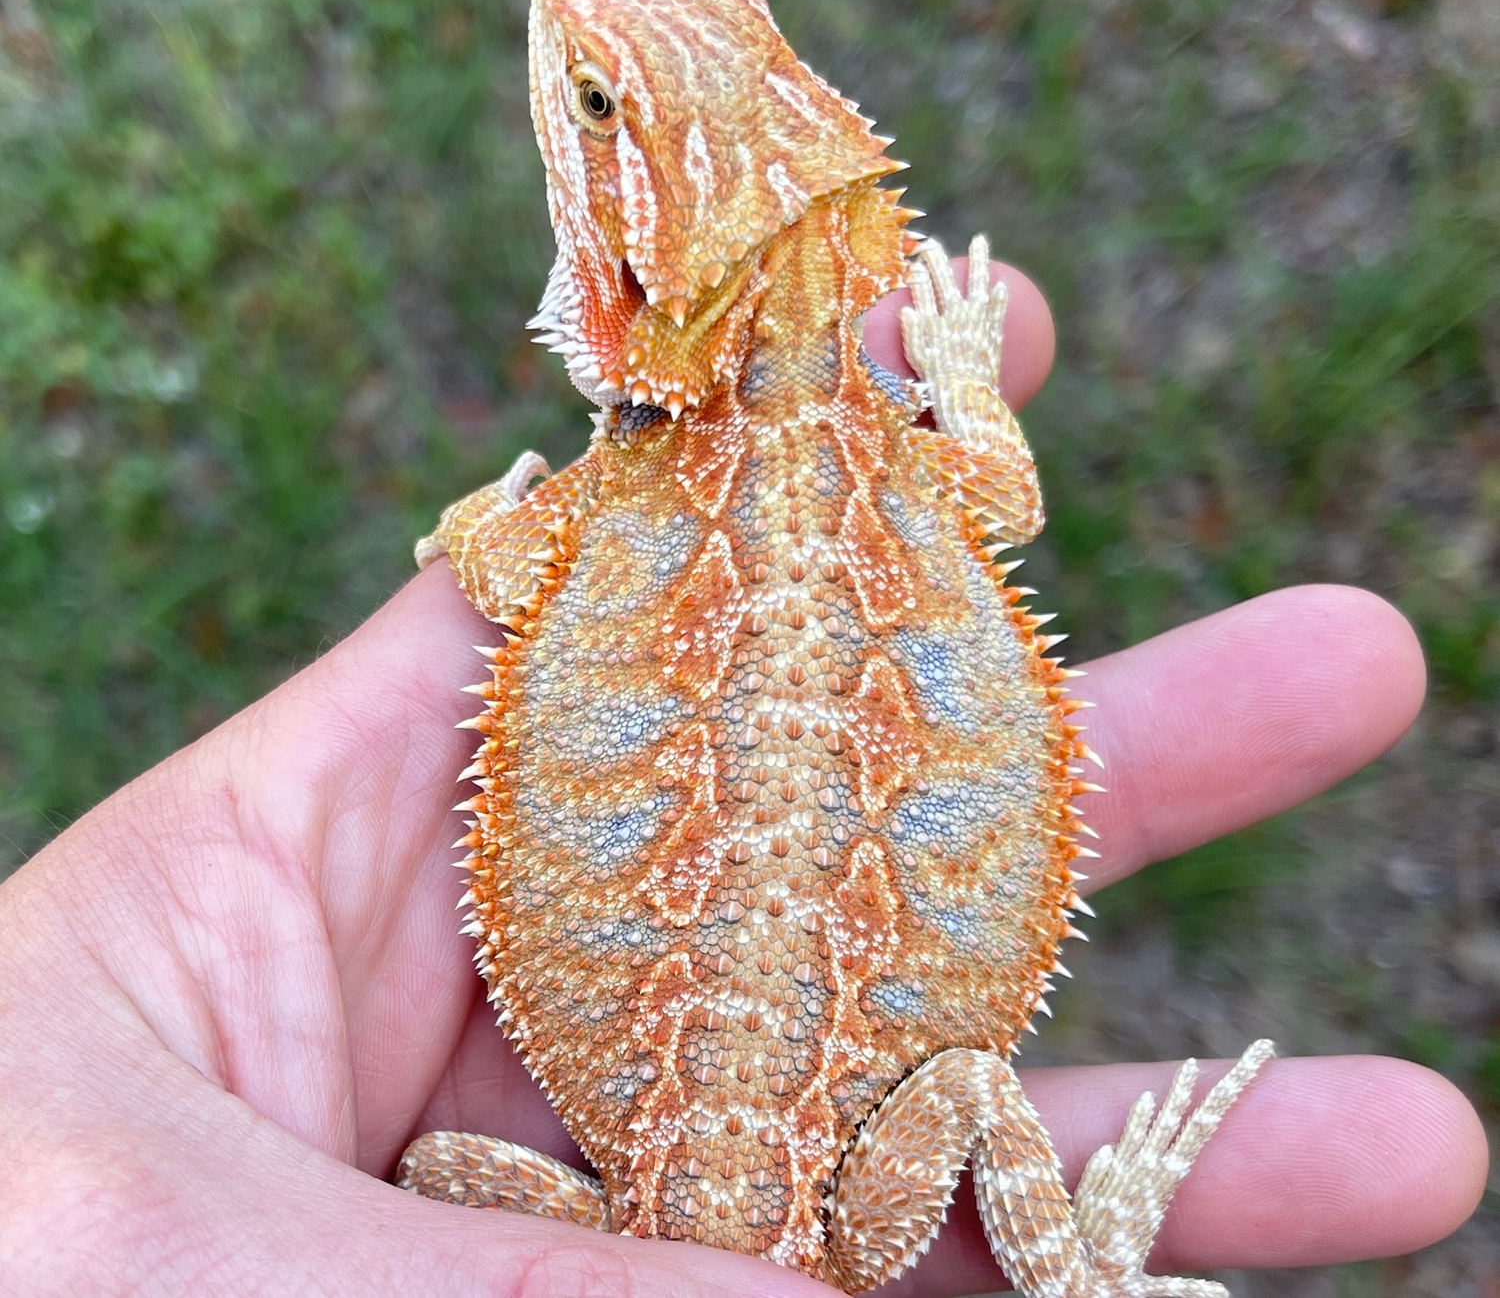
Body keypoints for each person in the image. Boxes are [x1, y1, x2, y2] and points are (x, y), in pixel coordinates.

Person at [0, 262, 1484, 1295]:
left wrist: (476, 509)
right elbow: (1006, 492)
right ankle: (1080, 1272)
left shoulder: (644, 472)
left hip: (628, 1174)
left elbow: (492, 552)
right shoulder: (849, 456)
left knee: (442, 1158)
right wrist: (960, 377)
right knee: (962, 1079)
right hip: (829, 1210)